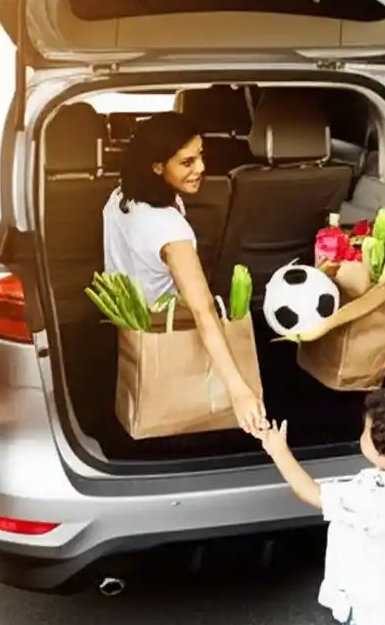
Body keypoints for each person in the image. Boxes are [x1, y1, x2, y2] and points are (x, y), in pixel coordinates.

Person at [103, 111, 267, 434]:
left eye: (200, 156)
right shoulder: (168, 228)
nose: (202, 169)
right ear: (157, 166)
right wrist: (239, 390)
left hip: (128, 325)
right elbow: (203, 311)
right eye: (187, 162)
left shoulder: (121, 196)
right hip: (168, 332)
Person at [253, 386, 385, 625]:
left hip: (368, 614)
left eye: (365, 430)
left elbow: (309, 492)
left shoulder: (371, 498)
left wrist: (278, 451)